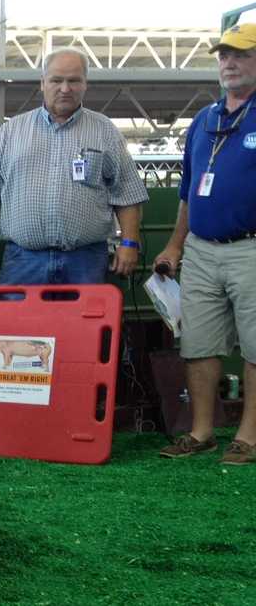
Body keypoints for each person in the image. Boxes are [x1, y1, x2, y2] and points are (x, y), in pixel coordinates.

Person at [154, 23, 256, 465]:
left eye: (240, 54)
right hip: (201, 248)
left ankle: (248, 438)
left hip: (250, 248)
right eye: (223, 55)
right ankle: (201, 432)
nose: (229, 62)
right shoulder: (204, 118)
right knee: (197, 343)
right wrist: (176, 245)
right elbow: (189, 192)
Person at [0, 49, 149, 285]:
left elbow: (127, 194)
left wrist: (129, 243)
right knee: (19, 323)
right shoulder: (11, 132)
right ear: (42, 83)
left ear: (85, 84)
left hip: (87, 261)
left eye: (74, 80)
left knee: (85, 323)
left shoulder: (105, 131)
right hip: (24, 260)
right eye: (56, 80)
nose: (65, 89)